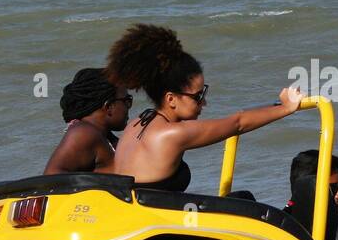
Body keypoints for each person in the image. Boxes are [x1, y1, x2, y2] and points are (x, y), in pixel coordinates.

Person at [106, 23, 301, 191]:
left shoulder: (136, 123)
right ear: (171, 99)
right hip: (156, 227)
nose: (204, 102)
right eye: (198, 96)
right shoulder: (172, 134)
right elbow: (237, 123)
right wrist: (286, 108)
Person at [43, 68, 132, 175]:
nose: (128, 107)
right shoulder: (83, 133)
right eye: (127, 101)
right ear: (109, 107)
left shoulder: (104, 136)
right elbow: (52, 177)